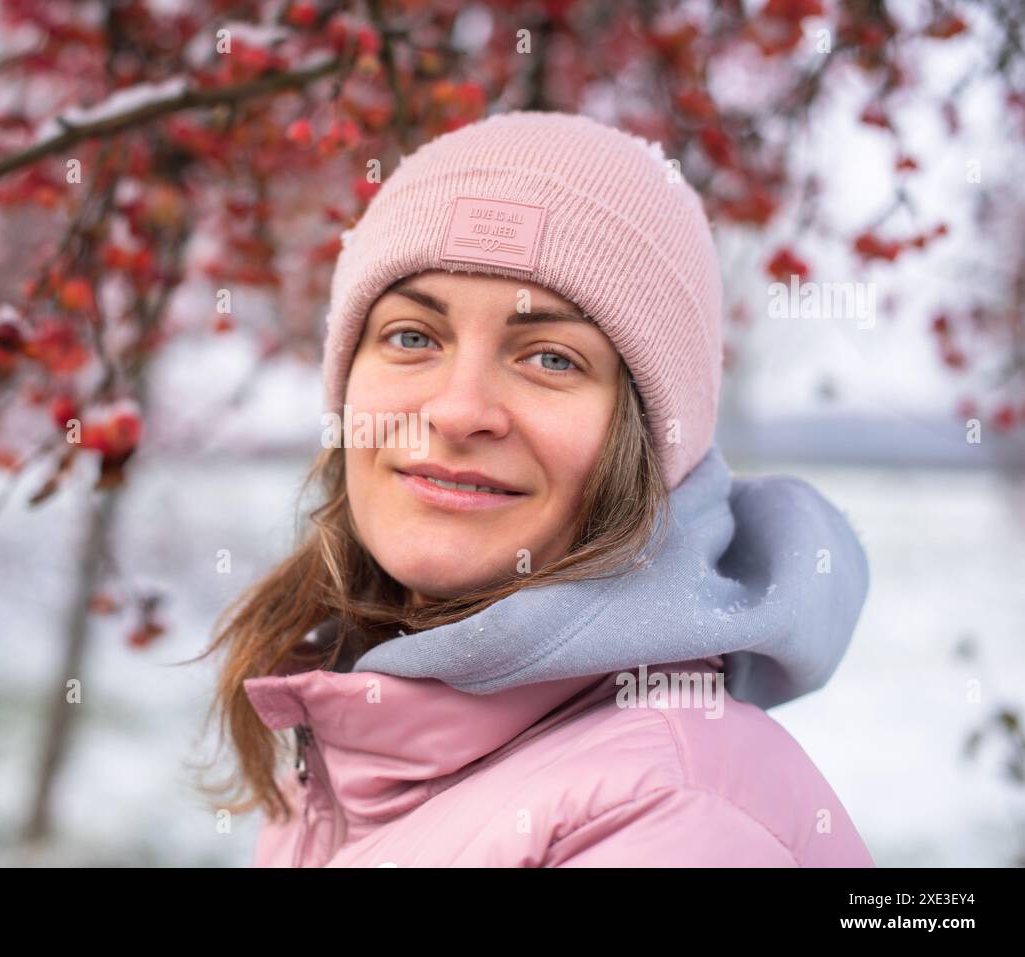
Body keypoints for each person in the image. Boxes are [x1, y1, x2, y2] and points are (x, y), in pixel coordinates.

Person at [196, 110, 874, 867]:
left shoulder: (673, 817)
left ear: (647, 441)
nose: (458, 411)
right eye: (413, 337)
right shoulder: (348, 739)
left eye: (550, 357)